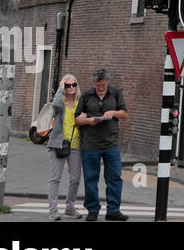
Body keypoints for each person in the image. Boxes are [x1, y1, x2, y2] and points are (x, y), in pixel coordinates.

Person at [75, 68, 130, 221]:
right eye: (97, 85)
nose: (100, 88)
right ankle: (92, 210)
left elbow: (124, 114)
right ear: (93, 83)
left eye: (103, 85)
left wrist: (113, 113)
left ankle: (113, 210)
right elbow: (77, 119)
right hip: (90, 144)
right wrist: (88, 121)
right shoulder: (86, 95)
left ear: (108, 83)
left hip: (111, 144)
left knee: (114, 178)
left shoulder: (116, 93)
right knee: (90, 178)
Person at [46, 74, 83, 219]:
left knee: (75, 179)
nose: (71, 87)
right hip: (58, 144)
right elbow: (54, 107)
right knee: (55, 178)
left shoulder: (80, 102)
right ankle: (53, 210)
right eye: (68, 85)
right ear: (64, 86)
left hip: (75, 145)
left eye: (74, 84)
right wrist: (60, 90)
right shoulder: (60, 101)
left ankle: (70, 208)